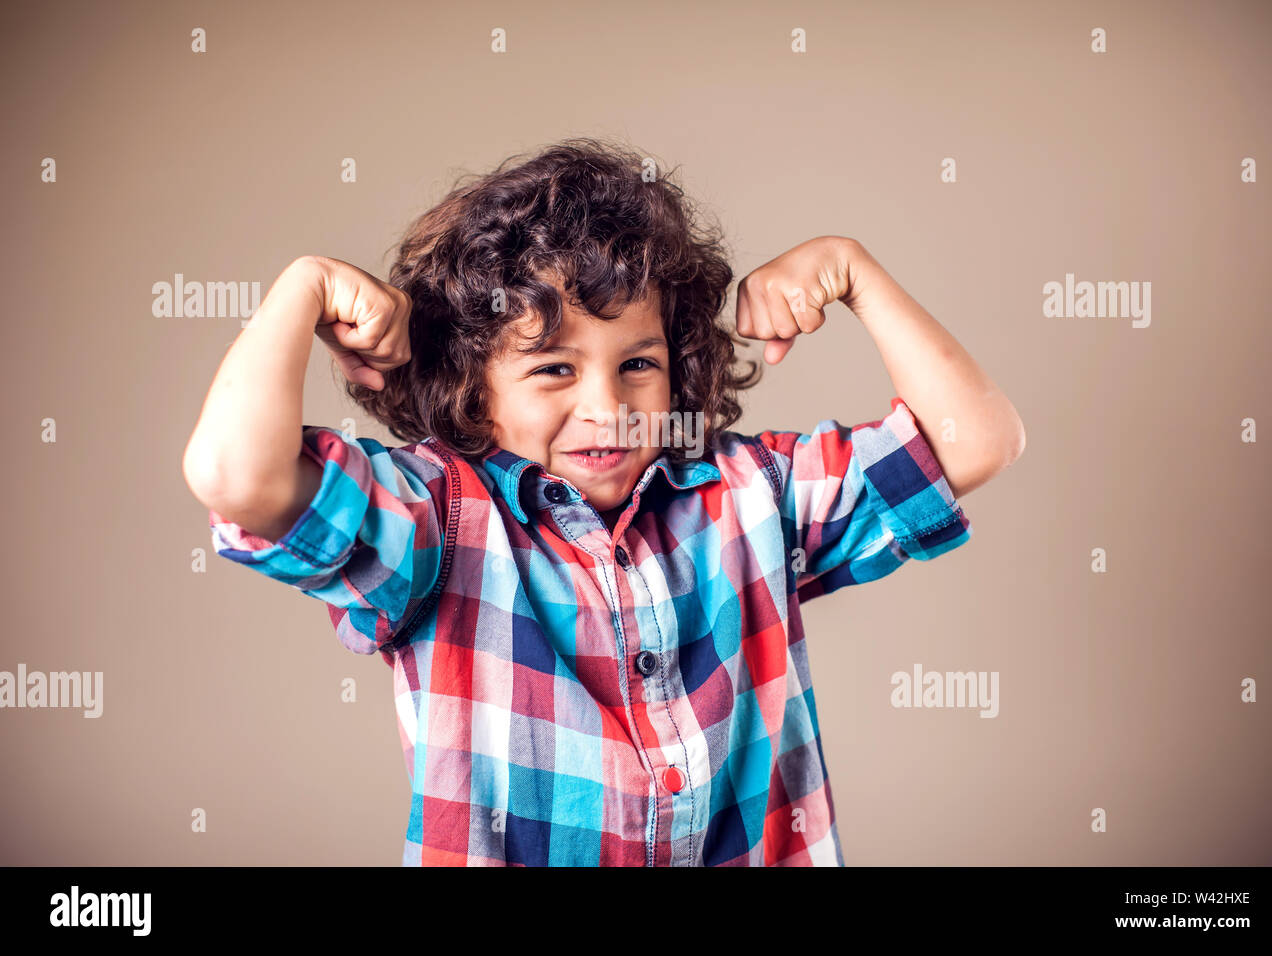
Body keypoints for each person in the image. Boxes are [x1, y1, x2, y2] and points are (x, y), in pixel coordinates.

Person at [182, 137, 1025, 866]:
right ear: (471, 392)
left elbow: (976, 442)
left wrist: (856, 272)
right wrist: (299, 290)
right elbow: (237, 479)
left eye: (638, 364)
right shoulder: (436, 520)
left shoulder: (747, 498)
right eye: (553, 367)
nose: (608, 407)